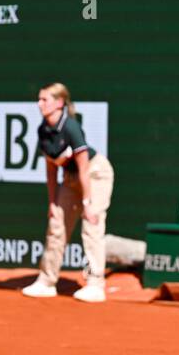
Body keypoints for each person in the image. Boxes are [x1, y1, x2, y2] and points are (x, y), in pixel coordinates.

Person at [22, 84, 115, 303]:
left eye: (45, 99)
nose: (39, 104)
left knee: (92, 224)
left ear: (59, 103)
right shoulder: (43, 130)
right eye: (39, 99)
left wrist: (87, 203)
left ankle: (95, 285)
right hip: (70, 179)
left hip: (95, 174)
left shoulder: (71, 127)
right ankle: (46, 282)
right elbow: (51, 169)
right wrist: (52, 202)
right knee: (56, 225)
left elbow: (83, 167)